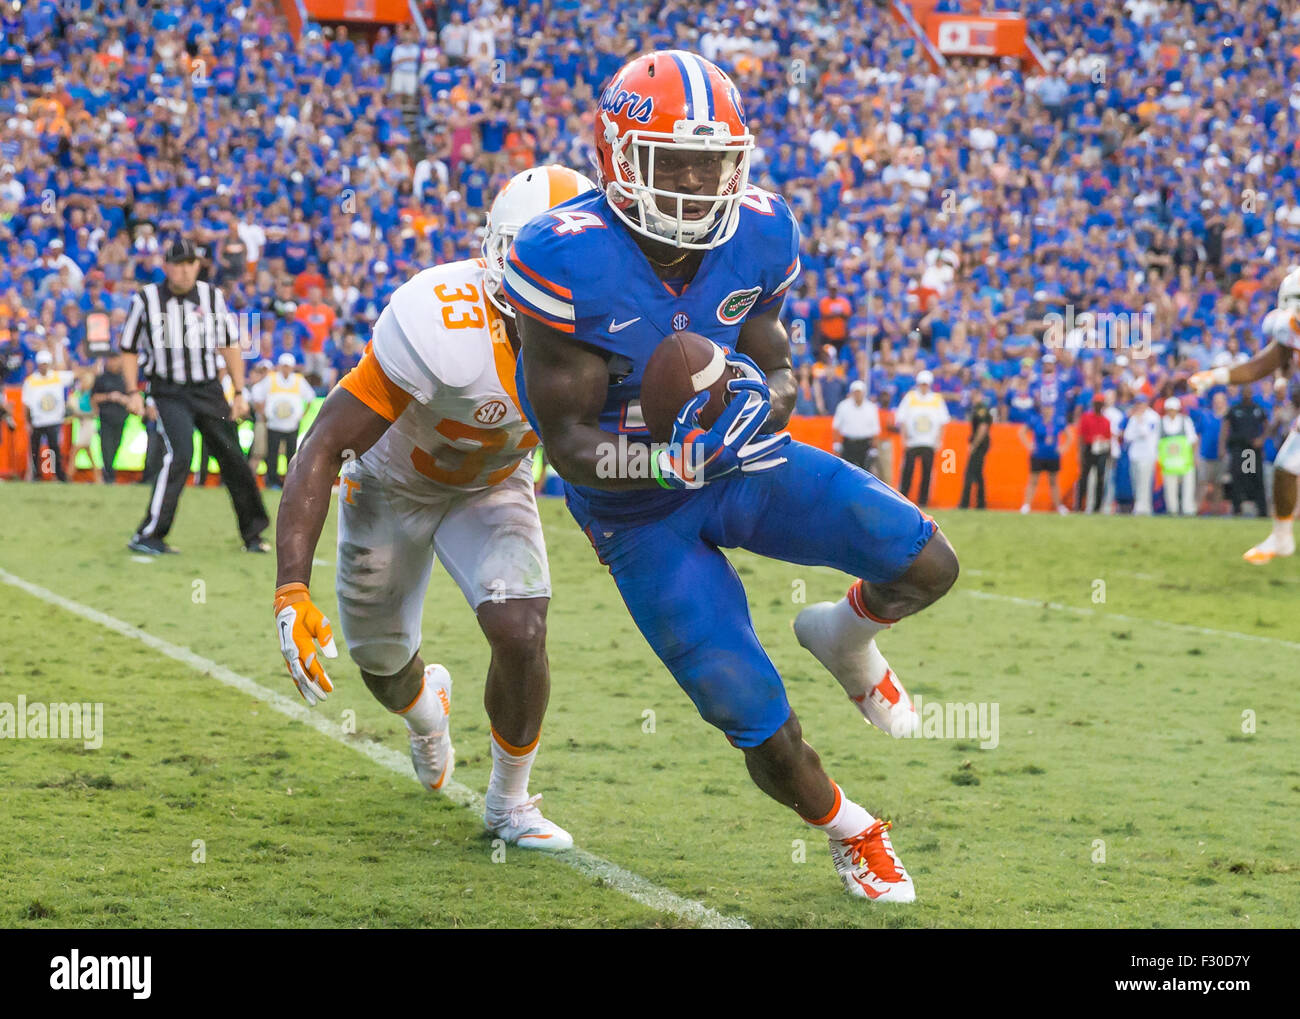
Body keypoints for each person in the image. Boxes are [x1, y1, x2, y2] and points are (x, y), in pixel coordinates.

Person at [510, 52, 958, 902]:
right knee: (751, 711)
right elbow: (566, 445)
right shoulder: (563, 255)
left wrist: (764, 405)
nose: (693, 181)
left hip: (739, 463)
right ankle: (853, 827)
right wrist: (664, 459)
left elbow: (776, 364)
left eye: (710, 163)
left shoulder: (758, 229)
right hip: (636, 511)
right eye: (670, 160)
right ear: (616, 156)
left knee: (928, 564)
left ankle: (845, 632)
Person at [274, 165, 596, 852]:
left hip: (494, 483)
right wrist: (290, 586)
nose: (554, 287)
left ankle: (509, 801)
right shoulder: (437, 318)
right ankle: (426, 715)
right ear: (497, 258)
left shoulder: (615, 332)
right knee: (384, 667)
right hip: (393, 483)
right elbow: (325, 442)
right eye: (535, 264)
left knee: (521, 627)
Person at [119, 237, 270, 554]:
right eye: (179, 265)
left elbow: (229, 344)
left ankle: (254, 533)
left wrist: (239, 391)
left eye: (191, 264)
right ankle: (149, 534)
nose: (185, 272)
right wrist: (133, 391)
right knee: (181, 455)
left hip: (208, 390)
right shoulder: (146, 299)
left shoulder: (211, 296)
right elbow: (129, 349)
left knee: (233, 456)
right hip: (168, 390)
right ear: (167, 267)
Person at [1190, 268, 1299, 561]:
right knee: (1286, 468)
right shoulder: (1289, 328)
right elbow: (1258, 367)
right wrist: (1215, 377)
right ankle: (1282, 537)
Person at [251, 353, 315, 489]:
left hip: (292, 425)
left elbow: (310, 397)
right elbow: (257, 394)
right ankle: (272, 481)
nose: (286, 369)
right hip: (273, 424)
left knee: (291, 455)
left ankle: (290, 482)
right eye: (284, 366)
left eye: (288, 367)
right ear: (280, 366)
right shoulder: (271, 379)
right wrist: (263, 413)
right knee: (272, 454)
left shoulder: (298, 380)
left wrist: (302, 415)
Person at [894, 369, 949, 507]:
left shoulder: (936, 399)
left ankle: (923, 501)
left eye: (926, 384)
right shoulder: (910, 397)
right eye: (922, 384)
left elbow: (943, 422)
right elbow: (902, 419)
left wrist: (939, 440)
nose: (924, 387)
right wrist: (904, 438)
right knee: (908, 471)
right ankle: (904, 497)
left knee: (927, 472)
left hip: (929, 442)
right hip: (912, 442)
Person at [21, 349, 71, 481]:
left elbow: (75, 375)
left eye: (45, 363)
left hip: (53, 419)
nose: (44, 366)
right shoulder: (30, 381)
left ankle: (58, 475)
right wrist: (27, 421)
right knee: (35, 450)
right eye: (42, 363)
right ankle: (36, 475)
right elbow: (26, 404)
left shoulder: (56, 376)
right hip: (37, 420)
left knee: (54, 449)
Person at [1220, 385, 1268, 518]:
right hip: (1238, 448)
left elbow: (1267, 425)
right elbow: (1225, 426)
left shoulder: (1257, 409)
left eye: (1249, 392)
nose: (1247, 394)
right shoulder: (1235, 409)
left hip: (1252, 450)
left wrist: (1261, 439)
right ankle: (1237, 509)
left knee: (1255, 477)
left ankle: (1261, 510)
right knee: (1237, 478)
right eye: (1245, 392)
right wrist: (1222, 447)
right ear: (1241, 393)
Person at [1019, 398, 1071, 514]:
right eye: (1046, 408)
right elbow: (1022, 432)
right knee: (1033, 480)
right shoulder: (1036, 420)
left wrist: (1063, 448)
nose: (1048, 411)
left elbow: (1069, 435)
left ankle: (1059, 506)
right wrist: (1029, 445)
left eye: (1050, 408)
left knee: (1054, 482)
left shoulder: (1058, 421)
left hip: (1053, 456)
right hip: (1038, 454)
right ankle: (1026, 505)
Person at [91, 350, 129, 483]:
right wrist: (109, 396)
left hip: (121, 417)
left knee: (116, 445)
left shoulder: (125, 378)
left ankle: (109, 472)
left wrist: (121, 398)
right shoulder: (102, 378)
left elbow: (132, 398)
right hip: (105, 418)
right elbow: (94, 397)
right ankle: (108, 476)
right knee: (106, 447)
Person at [1157, 396, 1198, 516]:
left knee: (1188, 485)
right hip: (1168, 461)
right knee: (1170, 485)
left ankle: (1188, 509)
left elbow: (1193, 440)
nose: (1171, 412)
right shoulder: (1161, 422)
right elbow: (1157, 442)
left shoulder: (1185, 421)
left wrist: (1194, 457)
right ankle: (1172, 509)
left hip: (1185, 460)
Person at [1123, 393, 1160, 515]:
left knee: (1144, 483)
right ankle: (1140, 506)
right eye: (1137, 403)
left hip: (1147, 454)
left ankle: (1142, 509)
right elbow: (1127, 436)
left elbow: (1146, 433)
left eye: (1141, 403)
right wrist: (1138, 425)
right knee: (1135, 483)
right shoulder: (1134, 417)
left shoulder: (1153, 416)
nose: (1139, 406)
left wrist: (1139, 423)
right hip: (1134, 454)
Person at [830, 380, 880, 473]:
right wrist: (836, 443)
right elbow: (836, 427)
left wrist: (874, 448)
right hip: (849, 444)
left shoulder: (871, 408)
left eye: (859, 392)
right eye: (855, 392)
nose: (858, 395)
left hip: (865, 445)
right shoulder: (843, 406)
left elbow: (875, 430)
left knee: (865, 472)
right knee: (847, 471)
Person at [1076, 395, 1111, 513]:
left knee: (1100, 479)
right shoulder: (1086, 418)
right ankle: (1079, 505)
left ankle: (1097, 506)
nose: (1098, 406)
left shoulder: (1106, 420)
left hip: (1101, 450)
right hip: (1089, 448)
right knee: (1084, 478)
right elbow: (1081, 436)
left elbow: (1108, 438)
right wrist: (1080, 452)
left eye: (1100, 404)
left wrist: (1108, 454)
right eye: (1097, 403)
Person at [959, 393, 993, 509]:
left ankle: (965, 503)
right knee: (978, 474)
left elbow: (983, 427)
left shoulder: (981, 410)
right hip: (982, 445)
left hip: (979, 445)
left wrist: (974, 444)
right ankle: (981, 504)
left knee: (969, 474)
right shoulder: (981, 409)